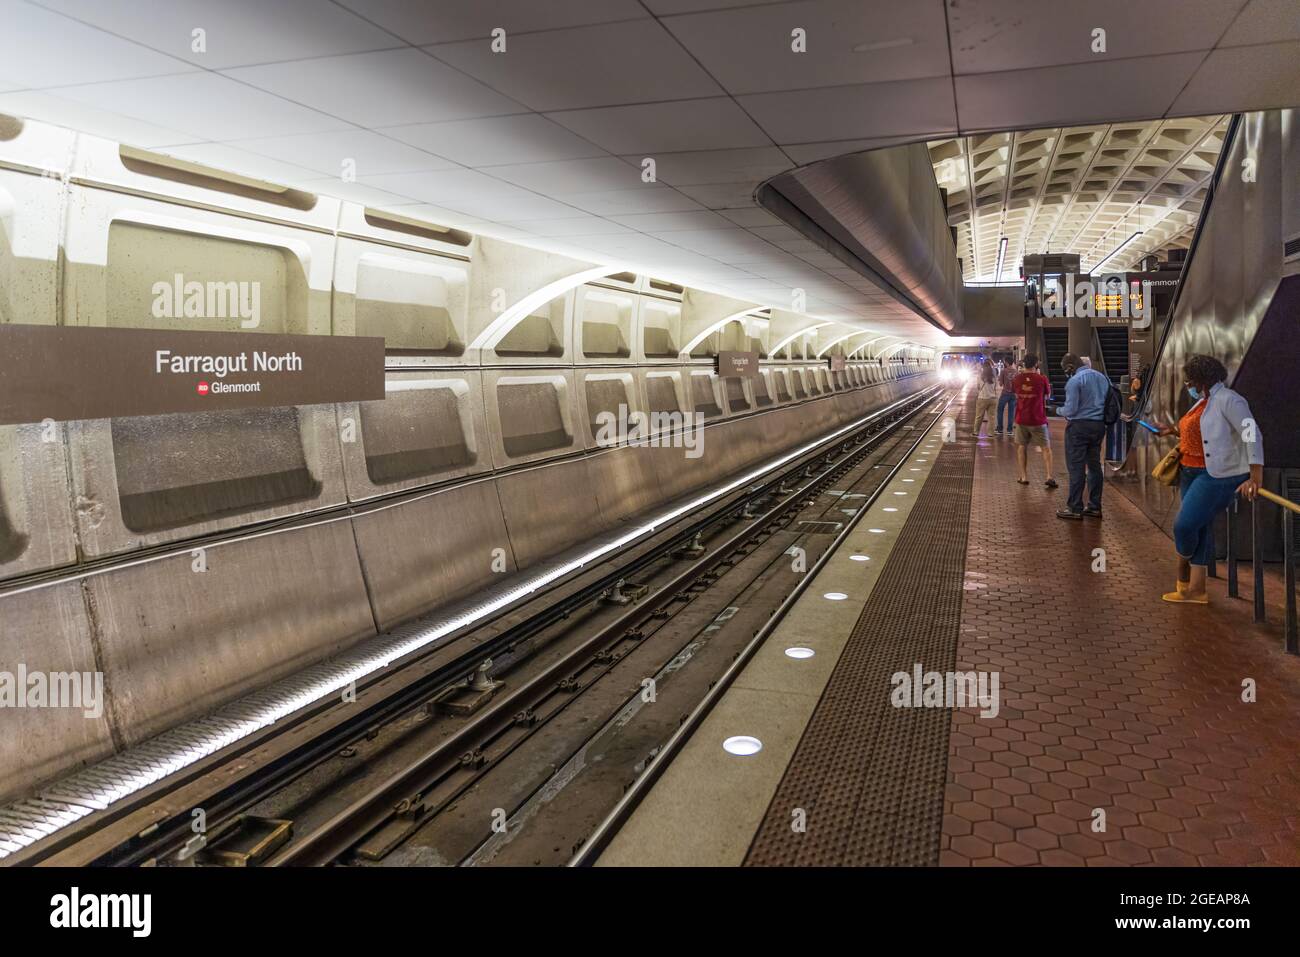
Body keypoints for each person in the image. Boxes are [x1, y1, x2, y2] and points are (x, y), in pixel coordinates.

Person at [1155, 354, 1263, 604]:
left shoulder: (1230, 400)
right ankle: (1196, 590)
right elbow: (1198, 429)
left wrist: (1255, 475)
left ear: (1201, 380)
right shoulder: (1204, 401)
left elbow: (1251, 433)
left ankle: (1183, 569)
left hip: (1215, 474)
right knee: (1200, 527)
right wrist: (1170, 430)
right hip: (1190, 471)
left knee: (1184, 526)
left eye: (1189, 381)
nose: (1188, 386)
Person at [1055, 352, 1110, 520]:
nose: (1066, 372)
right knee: (1094, 465)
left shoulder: (1075, 381)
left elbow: (1070, 410)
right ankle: (1094, 506)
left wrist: (1057, 410)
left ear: (1071, 367)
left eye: (1066, 369)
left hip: (1078, 427)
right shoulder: (1102, 378)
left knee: (1076, 467)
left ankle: (1074, 507)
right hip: (1099, 426)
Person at [1011, 355, 1057, 489]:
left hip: (1021, 419)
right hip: (1038, 419)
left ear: (1023, 364)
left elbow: (1015, 396)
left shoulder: (1016, 379)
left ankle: (1024, 477)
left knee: (1021, 447)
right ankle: (1049, 476)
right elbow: (1048, 396)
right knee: (1046, 448)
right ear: (1036, 365)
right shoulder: (1042, 379)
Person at [971, 359, 999, 438]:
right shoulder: (994, 377)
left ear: (983, 367)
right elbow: (995, 387)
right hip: (993, 399)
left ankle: (976, 432)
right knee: (992, 417)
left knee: (979, 416)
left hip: (982, 398)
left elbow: (978, 387)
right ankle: (991, 433)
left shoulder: (980, 376)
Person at [995, 358, 1018, 435]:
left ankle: (1000, 429)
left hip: (1005, 393)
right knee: (1011, 412)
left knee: (1000, 410)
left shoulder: (1003, 371)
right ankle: (1009, 430)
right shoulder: (1016, 372)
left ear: (1007, 363)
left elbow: (1001, 384)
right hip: (1014, 394)